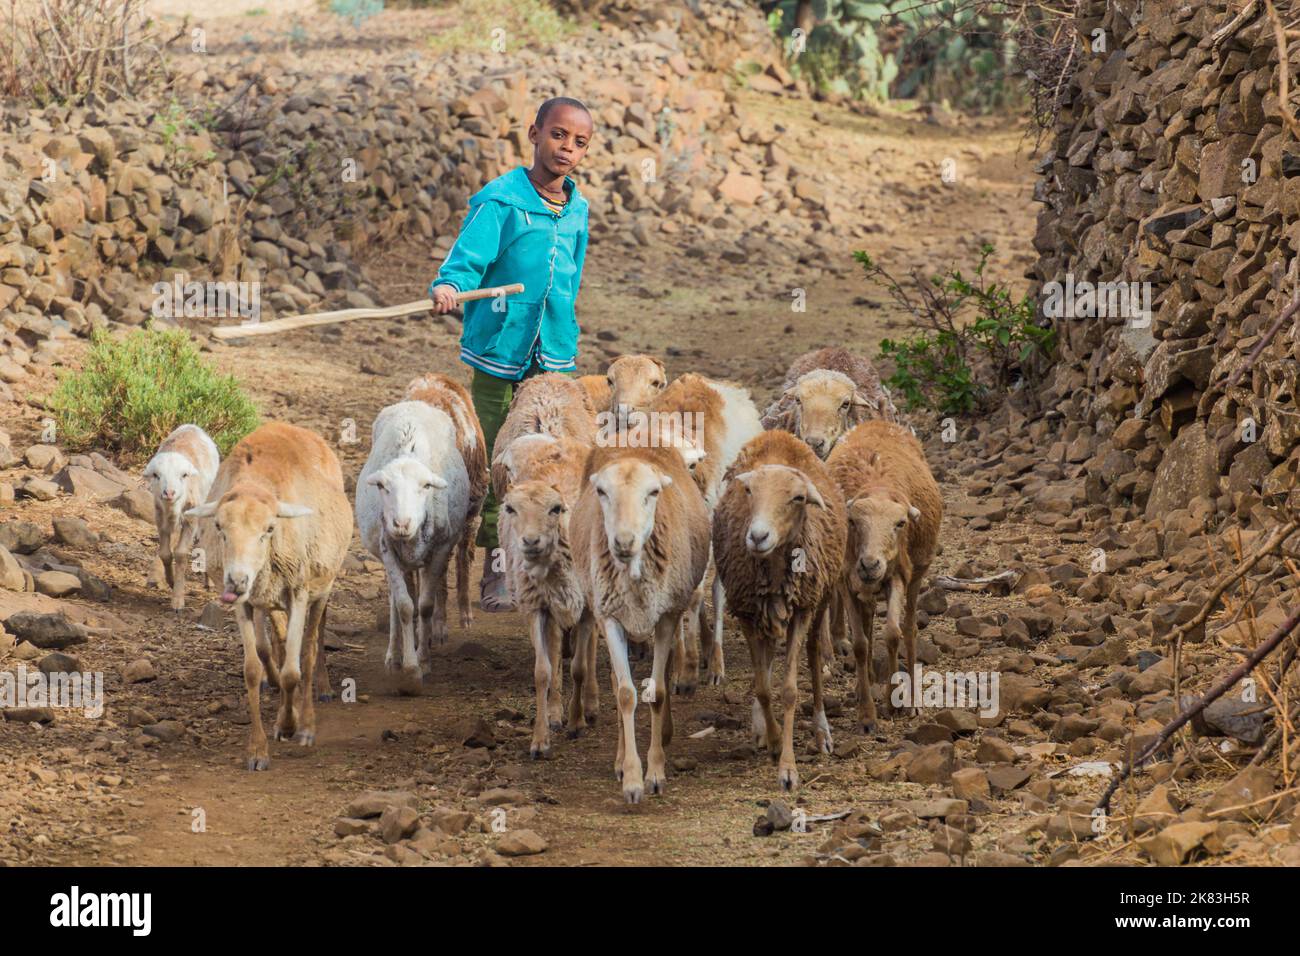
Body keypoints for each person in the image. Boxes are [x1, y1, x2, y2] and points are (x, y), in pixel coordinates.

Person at [429, 96, 594, 611]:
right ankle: (496, 570)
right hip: (501, 349)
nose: (567, 148)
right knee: (503, 466)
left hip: (555, 353)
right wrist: (450, 286)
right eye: (559, 135)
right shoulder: (500, 201)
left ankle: (559, 562)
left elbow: (574, 270)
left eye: (579, 142)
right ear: (535, 134)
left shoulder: (578, 209)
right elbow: (467, 260)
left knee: (559, 461)